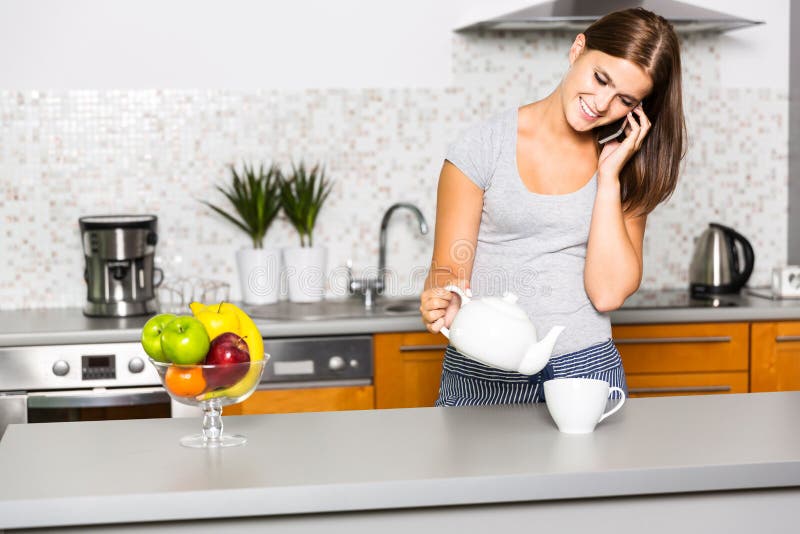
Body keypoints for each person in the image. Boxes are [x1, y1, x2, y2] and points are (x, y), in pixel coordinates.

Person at [419, 8, 686, 407]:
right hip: (482, 370)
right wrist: (446, 302)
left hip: (586, 373)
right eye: (600, 79)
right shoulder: (482, 147)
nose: (600, 104)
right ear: (578, 49)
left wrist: (609, 177)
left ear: (637, 110)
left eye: (623, 100)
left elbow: (608, 293)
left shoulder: (627, 166)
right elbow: (448, 274)